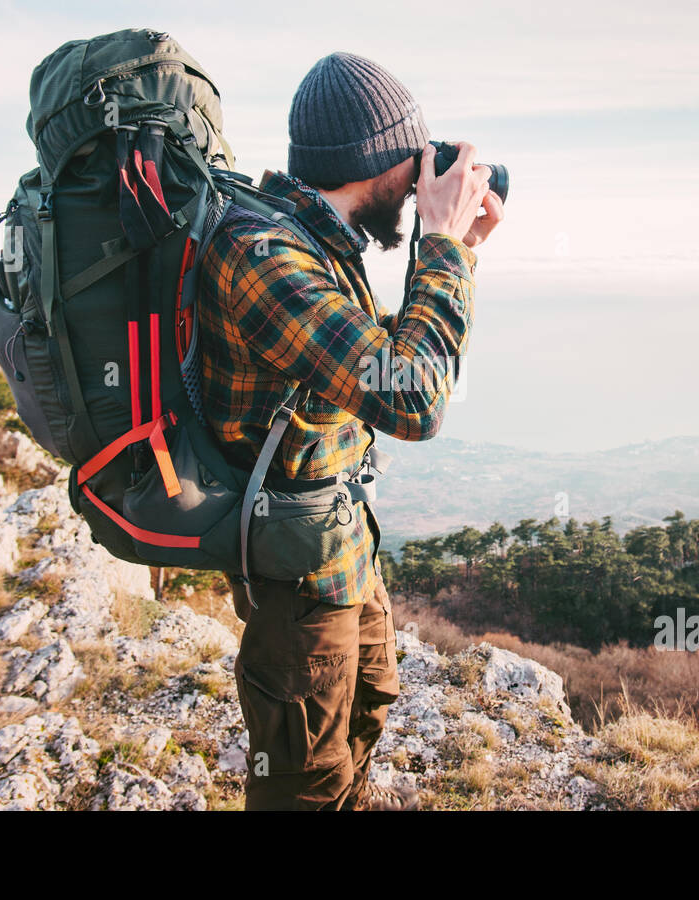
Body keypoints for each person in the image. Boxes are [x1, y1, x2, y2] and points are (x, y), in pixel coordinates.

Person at [197, 51, 503, 810]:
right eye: (418, 164)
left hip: (340, 547)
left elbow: (368, 362)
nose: (423, 184)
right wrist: (438, 246)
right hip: (296, 573)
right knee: (305, 781)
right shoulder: (265, 255)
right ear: (384, 165)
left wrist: (458, 249)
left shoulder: (316, 238)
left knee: (363, 714)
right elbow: (412, 399)